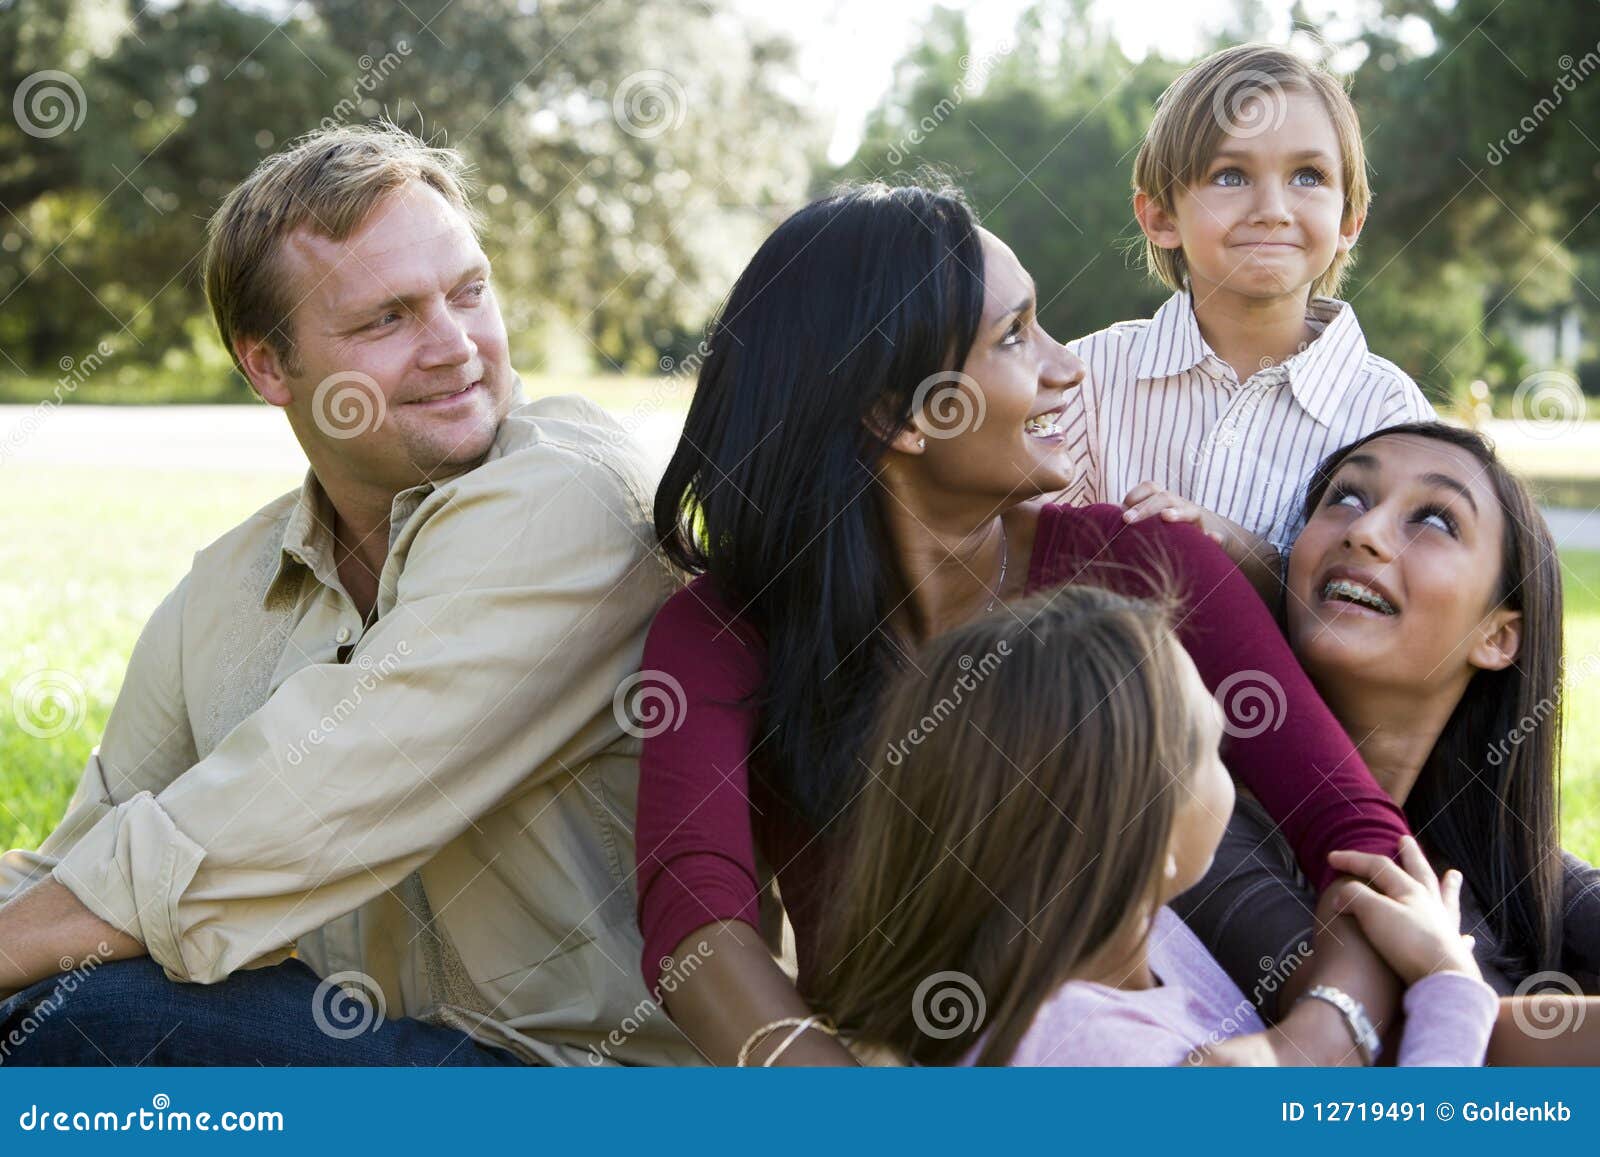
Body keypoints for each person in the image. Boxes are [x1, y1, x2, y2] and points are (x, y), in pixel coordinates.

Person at [633, 180, 1412, 1067]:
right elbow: (695, 919)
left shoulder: (1144, 564)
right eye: (1014, 336)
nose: (1066, 367)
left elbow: (1362, 839)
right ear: (896, 414)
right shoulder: (723, 634)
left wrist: (1306, 1047)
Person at [0, 124, 696, 1066]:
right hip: (379, 1055)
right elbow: (72, 869)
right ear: (267, 365)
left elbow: (285, 811)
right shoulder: (224, 592)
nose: (455, 347)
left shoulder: (573, 501)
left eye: (470, 292)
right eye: (387, 319)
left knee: (91, 1018)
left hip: (583, 1089)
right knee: (56, 998)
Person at [809, 587, 1498, 1066]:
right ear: (1146, 838)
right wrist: (1449, 982)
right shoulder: (1085, 1048)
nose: (1232, 760)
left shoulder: (1133, 934)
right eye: (1211, 750)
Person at [1172, 422, 1600, 1065]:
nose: (1364, 531)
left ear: (1497, 636)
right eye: (1345, 498)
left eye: (1434, 520)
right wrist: (1448, 980)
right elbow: (1373, 1042)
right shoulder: (1194, 807)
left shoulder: (1509, 864)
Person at [1057, 44, 1434, 592]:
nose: (1273, 210)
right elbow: (1023, 569)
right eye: (1230, 176)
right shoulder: (1086, 378)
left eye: (1308, 176)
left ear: (1350, 220)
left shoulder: (1390, 413)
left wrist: (1249, 557)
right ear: (1161, 217)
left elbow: (1399, 600)